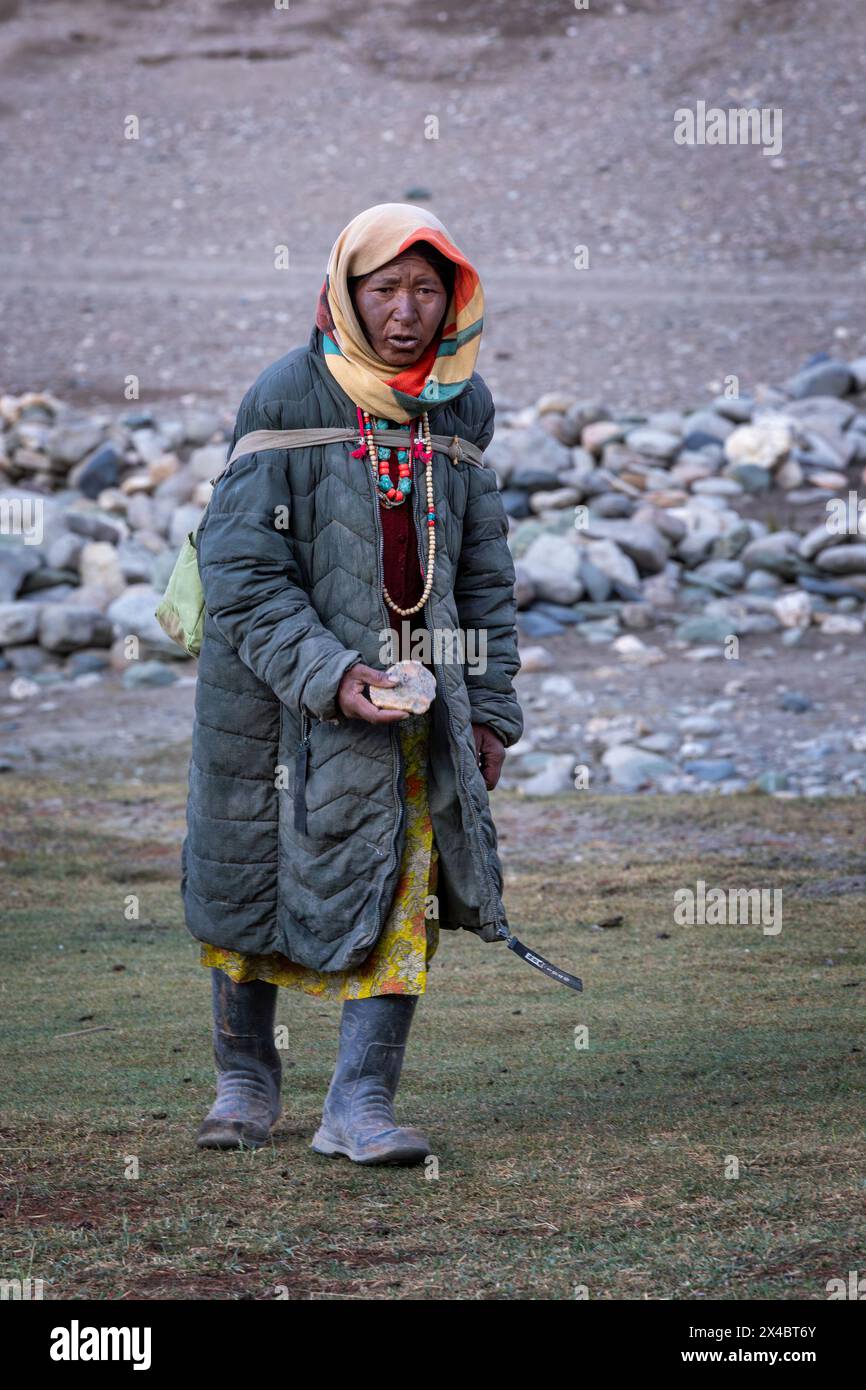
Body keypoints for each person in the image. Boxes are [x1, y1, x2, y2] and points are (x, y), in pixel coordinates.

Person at [182, 202, 523, 1165]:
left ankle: (359, 1106)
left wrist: (489, 709)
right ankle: (245, 1084)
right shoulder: (285, 395)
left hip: (416, 705)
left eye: (427, 288)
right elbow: (240, 573)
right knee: (256, 876)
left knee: (404, 884)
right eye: (386, 289)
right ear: (346, 291)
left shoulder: (461, 406)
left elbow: (485, 573)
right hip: (272, 701)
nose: (407, 311)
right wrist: (330, 677)